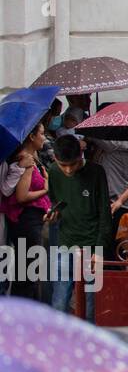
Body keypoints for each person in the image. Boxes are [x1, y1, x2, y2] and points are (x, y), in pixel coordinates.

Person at [45, 133, 113, 316]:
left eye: (72, 164)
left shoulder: (96, 172)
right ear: (55, 159)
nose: (68, 170)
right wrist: (54, 215)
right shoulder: (53, 171)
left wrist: (99, 251)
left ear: (80, 155)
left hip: (92, 247)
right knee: (59, 303)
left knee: (91, 307)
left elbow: (105, 215)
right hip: (66, 244)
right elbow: (56, 202)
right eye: (63, 165)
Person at [2, 124, 53, 299]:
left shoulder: (31, 159)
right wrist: (45, 189)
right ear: (31, 137)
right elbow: (22, 196)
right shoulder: (26, 161)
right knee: (27, 273)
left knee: (30, 272)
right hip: (27, 222)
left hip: (33, 220)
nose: (44, 138)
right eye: (41, 134)